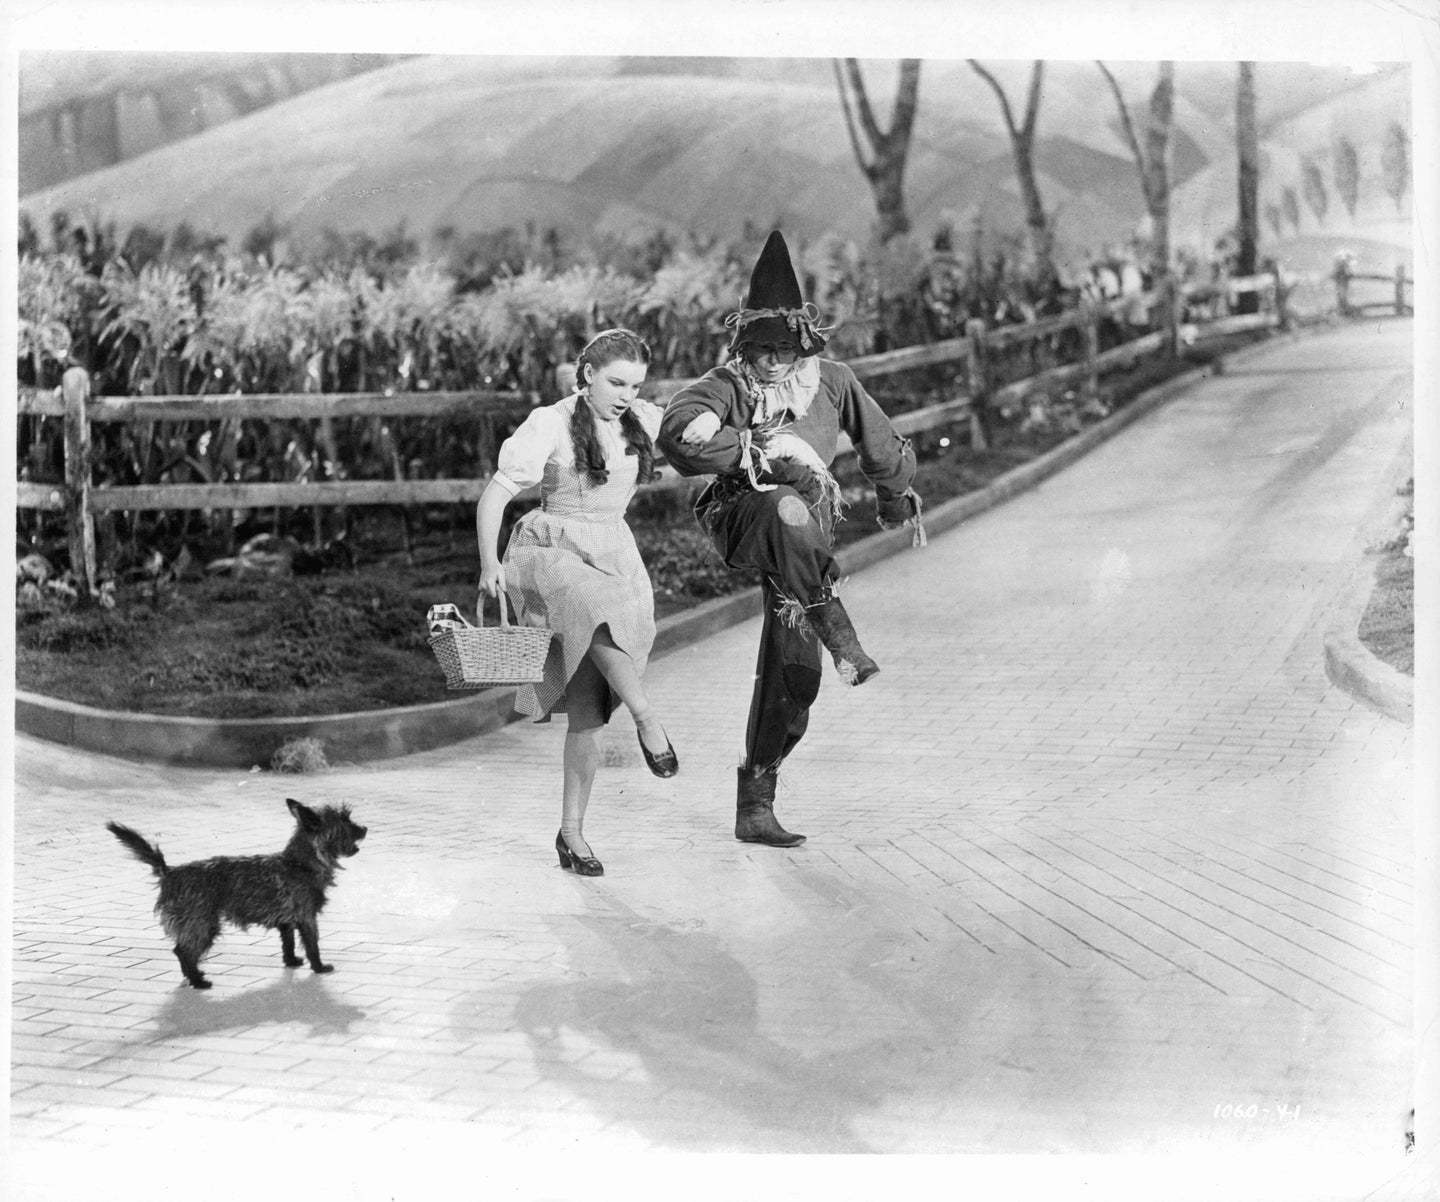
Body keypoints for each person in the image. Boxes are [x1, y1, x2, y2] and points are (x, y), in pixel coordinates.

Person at [656, 231, 925, 849]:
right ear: (742, 347)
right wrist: (756, 448)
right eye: (759, 350)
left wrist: (893, 498)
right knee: (783, 501)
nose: (771, 362)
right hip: (747, 516)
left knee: (794, 671)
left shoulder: (831, 381)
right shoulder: (727, 385)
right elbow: (679, 436)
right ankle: (839, 627)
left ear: (803, 345)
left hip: (805, 545)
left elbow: (880, 445)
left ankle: (757, 804)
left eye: (783, 350)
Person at [476, 328, 678, 878]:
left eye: (635, 385)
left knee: (587, 715)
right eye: (616, 382)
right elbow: (496, 492)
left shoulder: (645, 421)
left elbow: (704, 439)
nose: (626, 394)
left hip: (614, 551)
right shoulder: (551, 422)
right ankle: (647, 717)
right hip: (551, 549)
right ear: (586, 374)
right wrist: (489, 563)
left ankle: (572, 835)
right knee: (594, 605)